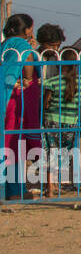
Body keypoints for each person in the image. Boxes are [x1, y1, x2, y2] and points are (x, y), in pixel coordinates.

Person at [42, 39, 81, 199]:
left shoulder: (51, 82)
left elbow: (45, 104)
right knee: (64, 153)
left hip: (51, 121)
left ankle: (50, 187)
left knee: (50, 153)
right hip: (71, 121)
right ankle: (60, 183)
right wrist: (78, 104)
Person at [2, 15, 40, 200]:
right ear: (27, 31)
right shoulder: (23, 46)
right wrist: (31, 51)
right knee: (14, 145)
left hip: (4, 96)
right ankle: (14, 191)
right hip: (16, 100)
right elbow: (28, 72)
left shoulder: (5, 45)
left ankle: (12, 189)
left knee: (6, 142)